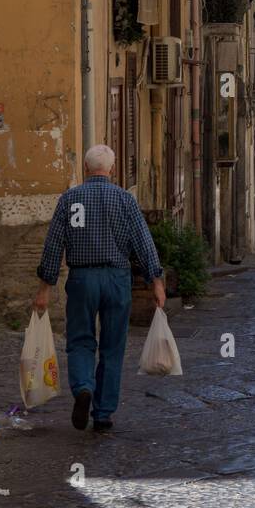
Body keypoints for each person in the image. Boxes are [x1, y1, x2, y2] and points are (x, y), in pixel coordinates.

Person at [32, 145, 165, 433]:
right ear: (112, 169)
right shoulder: (124, 200)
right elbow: (143, 242)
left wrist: (44, 287)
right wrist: (155, 280)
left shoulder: (69, 199)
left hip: (81, 278)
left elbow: (53, 245)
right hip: (117, 279)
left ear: (85, 168)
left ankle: (83, 387)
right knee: (113, 347)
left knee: (80, 340)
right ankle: (103, 413)